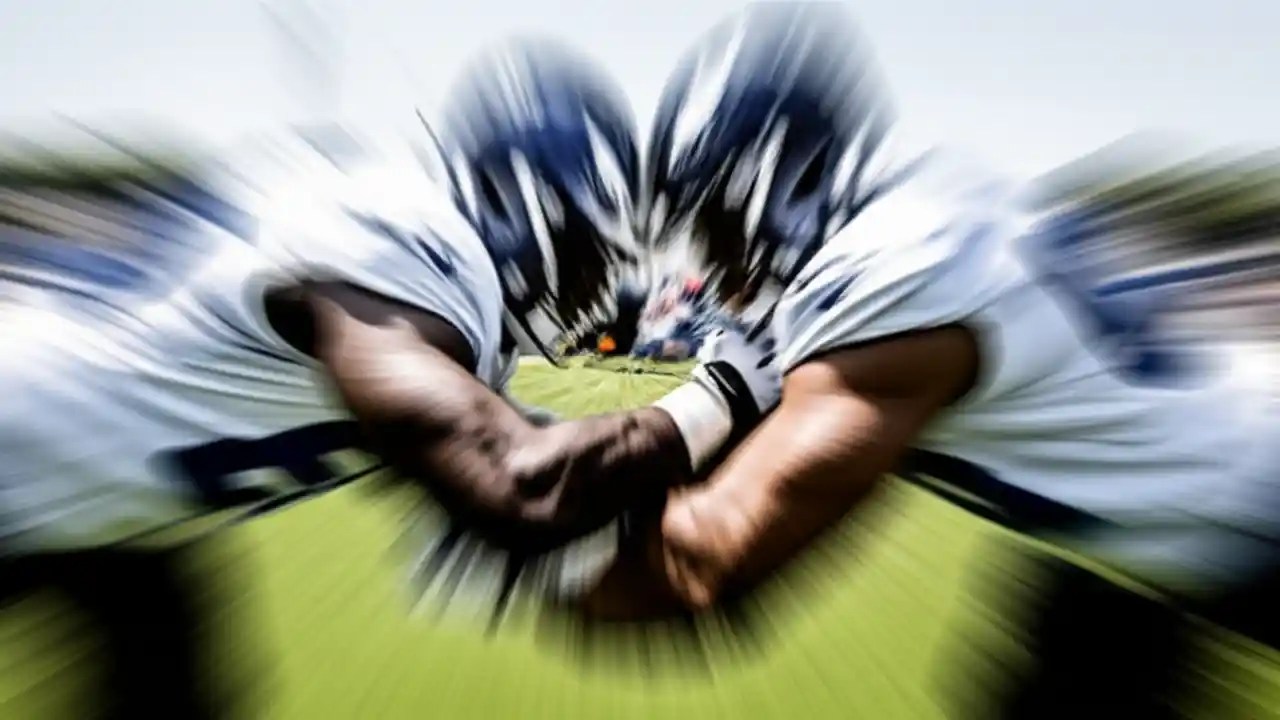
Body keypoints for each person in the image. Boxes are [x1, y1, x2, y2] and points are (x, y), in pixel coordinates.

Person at [0, 38, 779, 718]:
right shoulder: (404, 244)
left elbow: (540, 525)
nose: (589, 298)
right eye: (586, 261)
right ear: (528, 210)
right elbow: (519, 489)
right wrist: (723, 395)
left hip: (77, 504)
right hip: (22, 467)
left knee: (164, 672)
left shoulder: (417, 308)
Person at [540, 5, 1279, 717]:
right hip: (1166, 527)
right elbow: (709, 446)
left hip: (1249, 509)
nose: (716, 269)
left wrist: (520, 550)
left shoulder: (892, 289)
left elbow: (712, 560)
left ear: (773, 186)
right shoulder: (922, 216)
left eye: (714, 228)